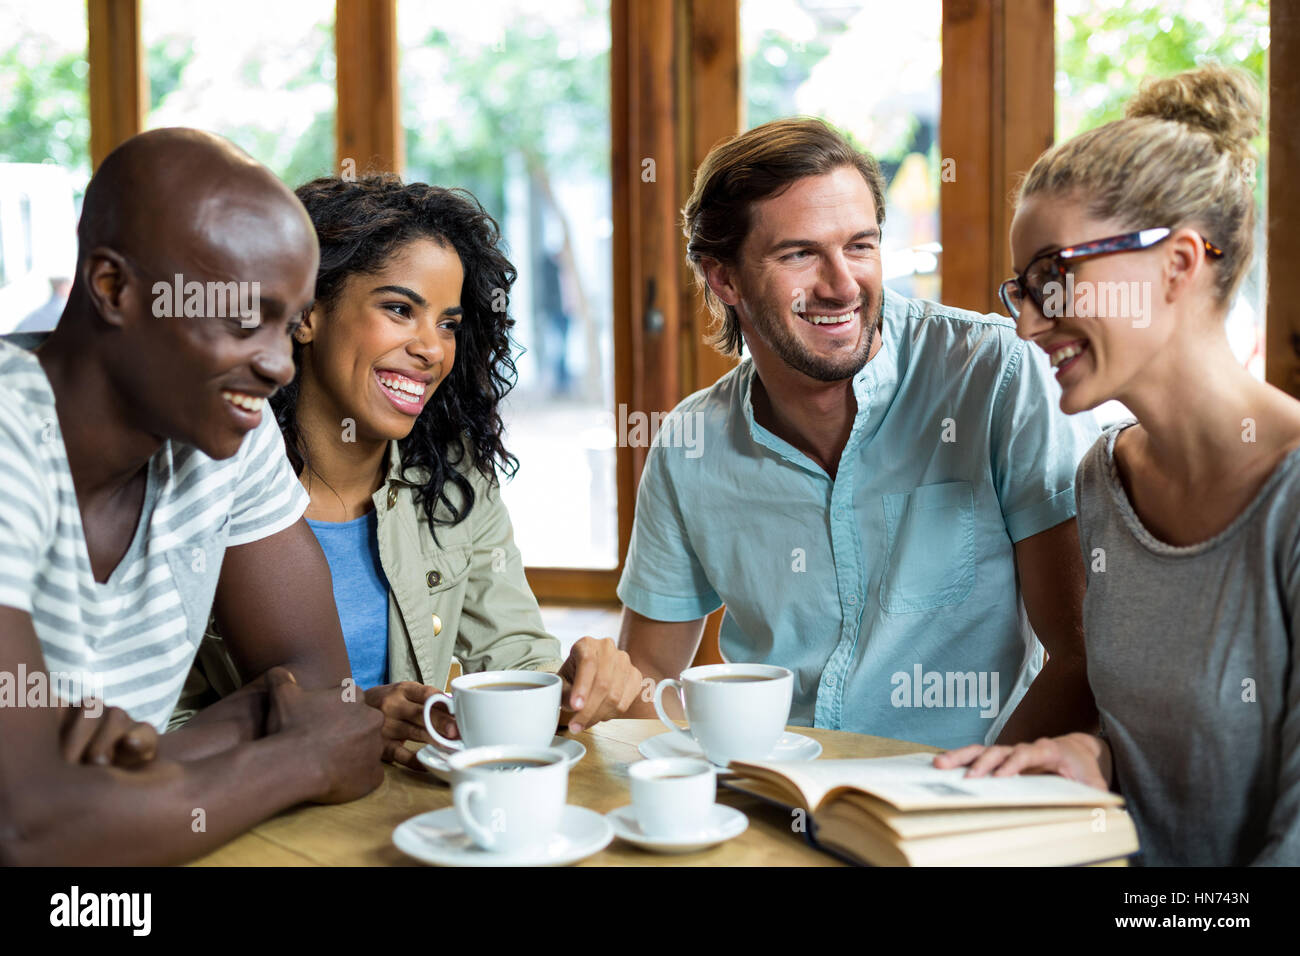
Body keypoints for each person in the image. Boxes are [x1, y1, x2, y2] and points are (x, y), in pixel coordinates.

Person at [618, 118, 1100, 750]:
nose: (842, 284)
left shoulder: (996, 376)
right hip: (775, 796)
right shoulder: (691, 444)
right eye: (799, 253)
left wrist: (974, 798)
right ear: (724, 278)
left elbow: (1082, 653)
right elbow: (650, 674)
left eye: (860, 246)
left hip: (961, 804)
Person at [936, 66, 1300, 865]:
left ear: (1176, 263)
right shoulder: (1103, 480)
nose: (1031, 325)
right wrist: (1091, 754)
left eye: (1054, 280)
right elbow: (1167, 743)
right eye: (1022, 292)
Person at [0, 128, 385, 866]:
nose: (277, 364)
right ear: (113, 288)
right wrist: (297, 763)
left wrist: (152, 767)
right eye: (245, 321)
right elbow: (27, 829)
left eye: (290, 323)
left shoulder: (221, 434)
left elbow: (321, 698)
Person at [172, 174, 643, 767]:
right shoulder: (202, 483)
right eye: (400, 310)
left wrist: (569, 682)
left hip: (408, 819)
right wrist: (335, 725)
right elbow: (150, 726)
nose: (432, 348)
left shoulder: (454, 477)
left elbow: (512, 659)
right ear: (307, 313)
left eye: (448, 323)